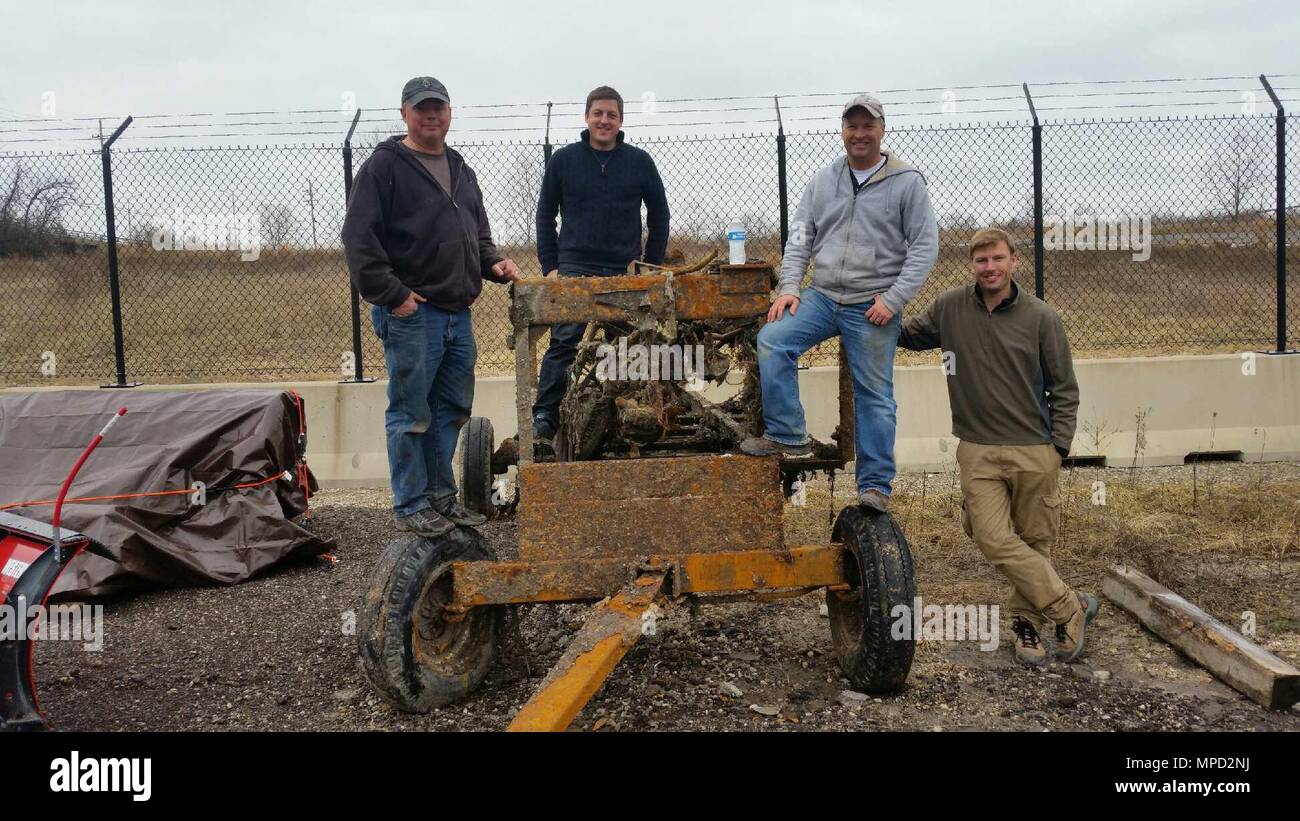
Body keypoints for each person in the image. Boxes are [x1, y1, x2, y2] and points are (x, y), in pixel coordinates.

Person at [898, 226, 1098, 666]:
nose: (989, 268)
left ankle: (1026, 628)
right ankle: (1070, 607)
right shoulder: (950, 308)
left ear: (1014, 261)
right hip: (978, 450)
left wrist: (1057, 448)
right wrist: (867, 307)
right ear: (972, 265)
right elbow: (906, 335)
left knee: (1034, 540)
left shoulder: (1042, 318)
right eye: (981, 261)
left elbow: (1064, 388)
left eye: (997, 259)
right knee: (991, 536)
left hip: (1034, 449)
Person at [740, 94, 938, 513]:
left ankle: (874, 485)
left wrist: (894, 298)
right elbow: (799, 240)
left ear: (883, 129)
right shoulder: (822, 181)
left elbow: (924, 248)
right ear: (843, 131)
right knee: (774, 340)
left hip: (873, 304)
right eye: (852, 126)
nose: (860, 134)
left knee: (875, 394)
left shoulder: (907, 181)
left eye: (868, 126)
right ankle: (789, 435)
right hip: (823, 295)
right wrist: (790, 288)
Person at [342, 76, 520, 537]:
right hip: (413, 314)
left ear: (450, 112)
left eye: (438, 107)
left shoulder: (460, 168)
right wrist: (393, 295)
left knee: (450, 410)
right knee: (410, 412)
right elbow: (359, 240)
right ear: (405, 113)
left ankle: (441, 498)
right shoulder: (385, 166)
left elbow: (476, 236)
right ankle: (410, 503)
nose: (431, 115)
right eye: (421, 108)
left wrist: (493, 263)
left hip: (457, 315)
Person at [531, 85, 670, 454]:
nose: (604, 120)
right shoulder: (564, 160)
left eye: (611, 114)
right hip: (575, 266)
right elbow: (545, 216)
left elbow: (659, 216)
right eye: (598, 113)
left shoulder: (639, 162)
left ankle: (632, 416)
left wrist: (648, 267)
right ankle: (545, 417)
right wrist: (551, 267)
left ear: (621, 120)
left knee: (629, 345)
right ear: (587, 117)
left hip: (623, 270)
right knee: (565, 341)